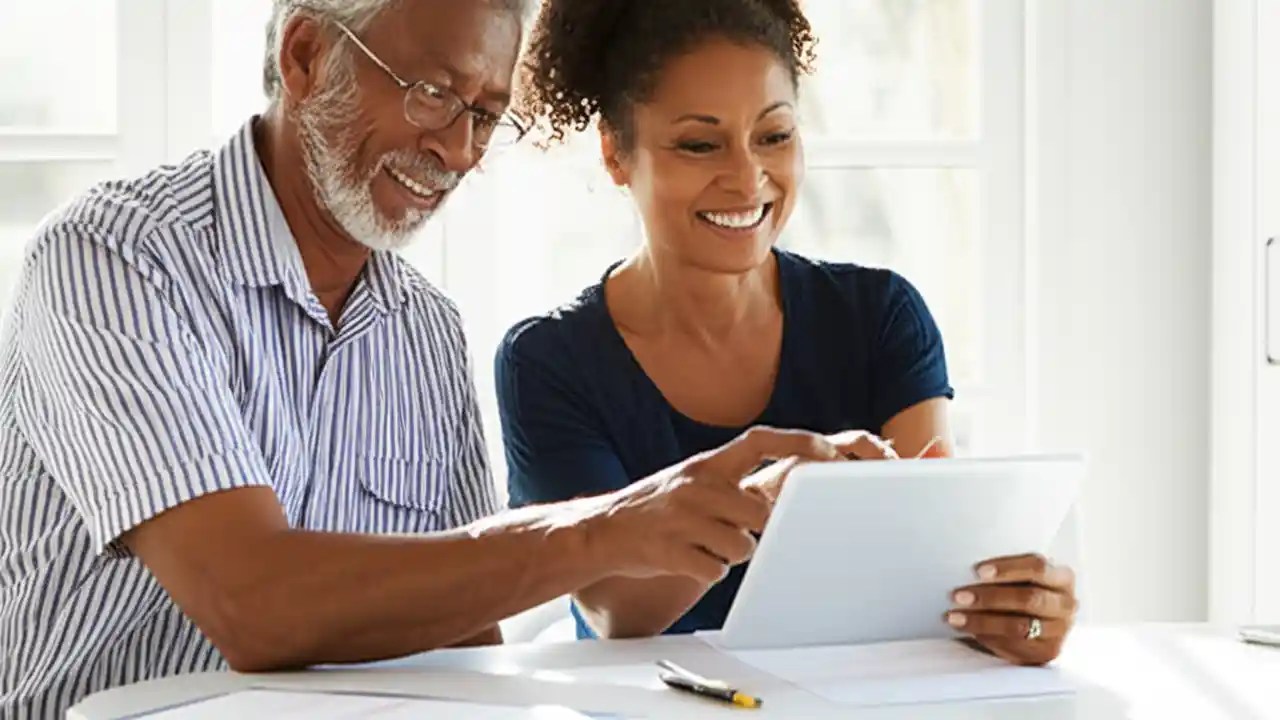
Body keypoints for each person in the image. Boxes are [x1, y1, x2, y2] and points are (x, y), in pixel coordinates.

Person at [0, 1, 864, 716]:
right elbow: (252, 605)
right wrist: (611, 527)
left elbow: (459, 648)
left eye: (486, 115)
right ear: (304, 56)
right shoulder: (118, 258)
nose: (456, 150)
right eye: (430, 93)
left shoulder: (423, 331)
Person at [498, 0, 1078, 667]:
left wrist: (1024, 622)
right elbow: (617, 612)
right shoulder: (548, 361)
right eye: (698, 143)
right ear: (615, 152)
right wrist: (772, 500)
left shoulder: (880, 316)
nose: (747, 178)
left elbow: (937, 580)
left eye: (774, 136)